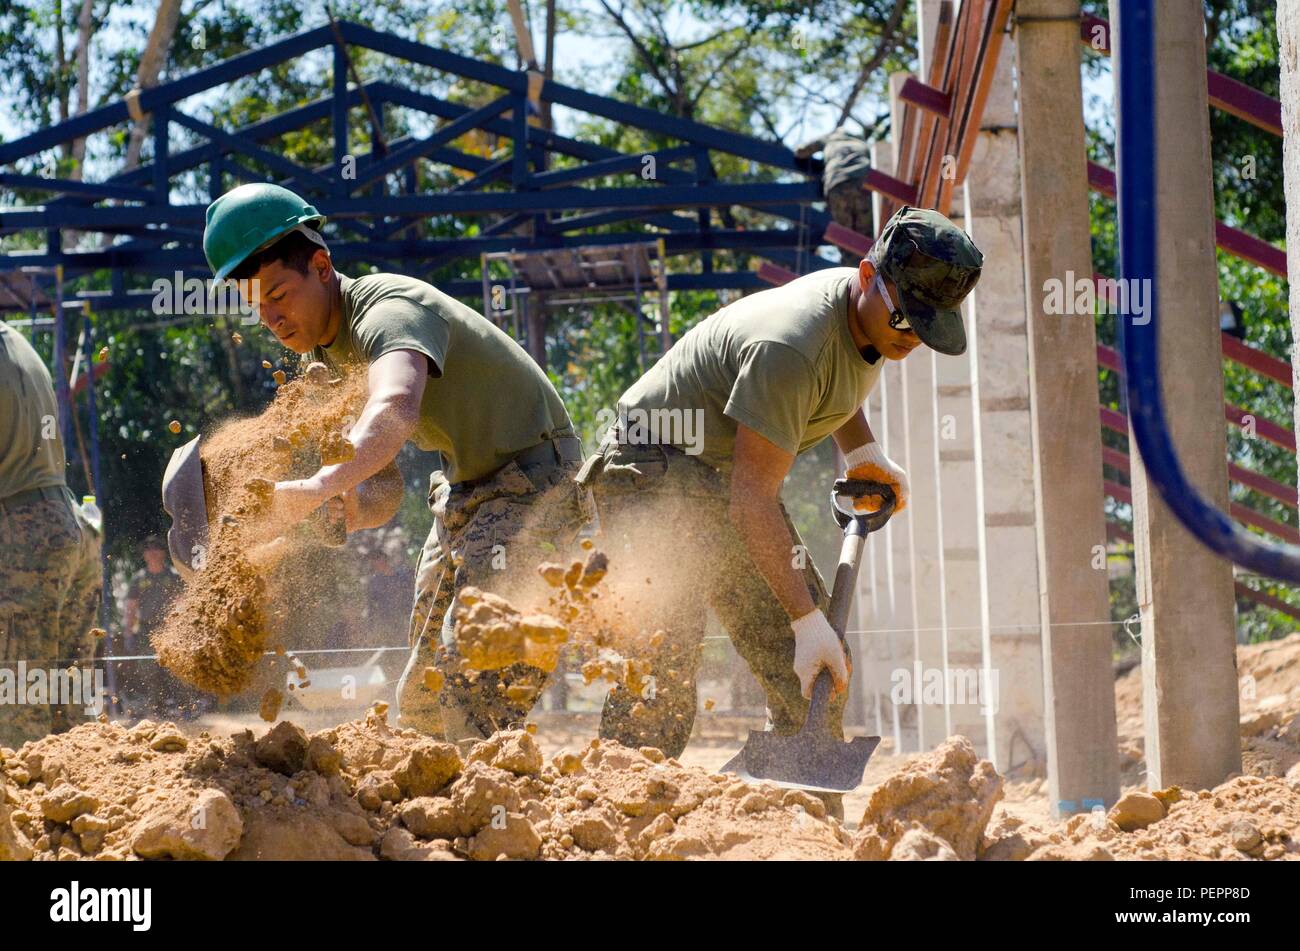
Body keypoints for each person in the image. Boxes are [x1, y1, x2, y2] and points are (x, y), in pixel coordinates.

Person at [577, 206, 984, 766]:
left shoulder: (868, 318)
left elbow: (835, 379)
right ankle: (619, 817)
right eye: (907, 319)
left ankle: (793, 809)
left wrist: (863, 452)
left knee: (819, 665)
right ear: (868, 277)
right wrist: (803, 619)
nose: (913, 337)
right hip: (650, 466)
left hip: (716, 470)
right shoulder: (791, 347)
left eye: (929, 325)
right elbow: (752, 499)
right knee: (662, 665)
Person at [201, 183, 590, 742]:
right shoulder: (327, 355)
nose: (271, 317)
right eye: (256, 305)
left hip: (537, 485)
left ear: (321, 265)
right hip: (464, 496)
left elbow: (395, 408)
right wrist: (329, 513)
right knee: (423, 706)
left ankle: (502, 818)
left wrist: (313, 486)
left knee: (471, 694)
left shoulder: (388, 311)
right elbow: (383, 492)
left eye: (279, 294)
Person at [0, 319, 103, 747]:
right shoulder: (14, 340)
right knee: (69, 708)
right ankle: (83, 806)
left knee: (18, 712)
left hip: (21, 534)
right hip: (63, 521)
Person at [121, 534, 200, 719]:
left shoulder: (173, 576)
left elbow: (184, 603)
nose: (153, 553)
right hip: (147, 631)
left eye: (156, 549)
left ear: (164, 552)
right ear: (144, 554)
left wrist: (184, 628)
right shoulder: (138, 579)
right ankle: (157, 711)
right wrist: (129, 634)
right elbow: (131, 607)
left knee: (177, 670)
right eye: (149, 549)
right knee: (149, 672)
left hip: (170, 629)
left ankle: (186, 709)